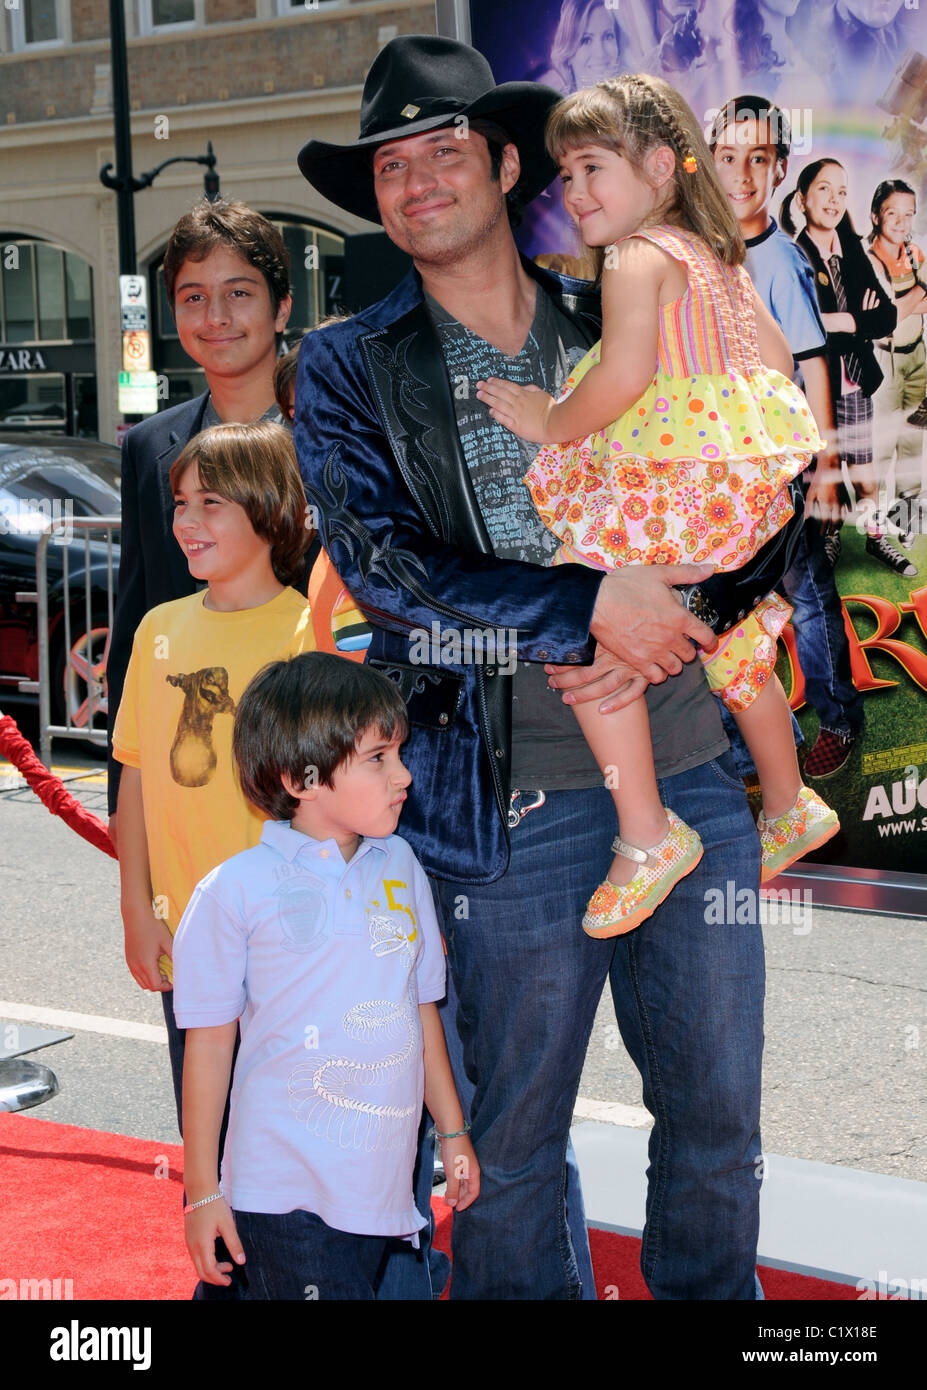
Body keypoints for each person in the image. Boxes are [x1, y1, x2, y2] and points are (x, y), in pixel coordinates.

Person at [296, 33, 771, 1300]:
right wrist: (587, 607)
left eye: (442, 151)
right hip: (501, 806)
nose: (415, 182)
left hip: (691, 780)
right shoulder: (348, 361)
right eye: (389, 165)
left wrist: (680, 596)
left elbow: (740, 473)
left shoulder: (618, 304)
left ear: (508, 165)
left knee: (719, 1129)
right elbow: (387, 571)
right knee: (506, 1151)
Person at [477, 74, 838, 935]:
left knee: (580, 621)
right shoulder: (718, 261)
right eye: (564, 176)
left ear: (661, 168)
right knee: (737, 647)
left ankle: (645, 832)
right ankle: (788, 802)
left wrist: (550, 418)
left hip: (670, 486)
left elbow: (622, 375)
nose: (573, 193)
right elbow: (780, 361)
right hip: (738, 500)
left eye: (592, 168)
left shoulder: (637, 259)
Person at [174, 653, 478, 1299]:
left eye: (399, 753)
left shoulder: (401, 865)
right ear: (300, 777)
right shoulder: (234, 890)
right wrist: (201, 1192)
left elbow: (419, 1008)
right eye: (378, 758)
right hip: (282, 1189)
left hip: (381, 1186)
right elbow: (208, 1044)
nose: (404, 775)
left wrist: (452, 1130)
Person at [113, 420, 314, 1109]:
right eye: (179, 504)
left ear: (270, 507)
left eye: (211, 503)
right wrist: (136, 907)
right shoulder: (158, 628)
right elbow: (134, 778)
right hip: (185, 936)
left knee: (286, 1127)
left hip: (284, 939)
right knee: (207, 1128)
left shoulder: (307, 631)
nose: (187, 522)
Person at [106, 201, 294, 842]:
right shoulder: (148, 447)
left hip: (309, 778)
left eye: (238, 293)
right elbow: (134, 625)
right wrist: (120, 801)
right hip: (182, 787)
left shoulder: (337, 435)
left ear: (282, 306)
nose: (215, 317)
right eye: (192, 297)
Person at [710, 95, 864, 780]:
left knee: (804, 595)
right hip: (715, 476)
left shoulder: (777, 260)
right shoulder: (692, 248)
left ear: (778, 171)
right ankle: (743, 748)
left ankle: (836, 715)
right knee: (727, 608)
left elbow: (812, 361)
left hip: (779, 468)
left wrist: (824, 461)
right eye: (727, 157)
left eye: (758, 158)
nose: (741, 173)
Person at [781, 161, 907, 576]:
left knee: (867, 479)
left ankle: (875, 538)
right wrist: (854, 319)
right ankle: (830, 538)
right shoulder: (794, 255)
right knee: (826, 479)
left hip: (855, 386)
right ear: (802, 199)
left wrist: (842, 320)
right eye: (823, 190)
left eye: (841, 191)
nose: (834, 200)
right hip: (816, 392)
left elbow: (885, 316)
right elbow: (802, 329)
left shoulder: (851, 248)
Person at [866, 180, 927, 537]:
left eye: (909, 215)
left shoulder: (915, 253)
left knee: (913, 438)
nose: (902, 223)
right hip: (884, 362)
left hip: (917, 354)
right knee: (883, 443)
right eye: (893, 213)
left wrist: (902, 306)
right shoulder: (865, 259)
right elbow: (881, 321)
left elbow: (911, 308)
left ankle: (906, 514)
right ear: (876, 214)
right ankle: (873, 521)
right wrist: (915, 295)